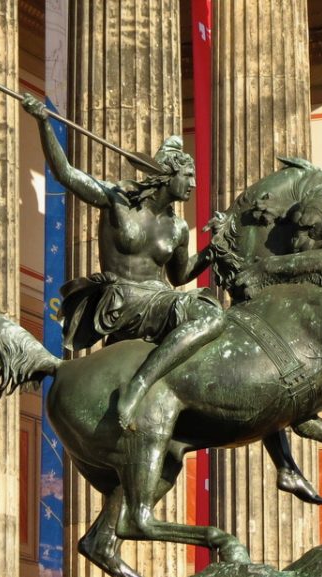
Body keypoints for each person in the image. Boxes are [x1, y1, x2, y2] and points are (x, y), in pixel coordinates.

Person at [21, 93, 220, 429]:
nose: (193, 183)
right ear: (167, 174)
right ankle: (139, 385)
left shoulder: (178, 227)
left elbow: (182, 274)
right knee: (209, 312)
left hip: (156, 299)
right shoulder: (118, 201)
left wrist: (214, 248)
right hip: (122, 298)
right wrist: (44, 123)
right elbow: (66, 174)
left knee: (207, 325)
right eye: (187, 175)